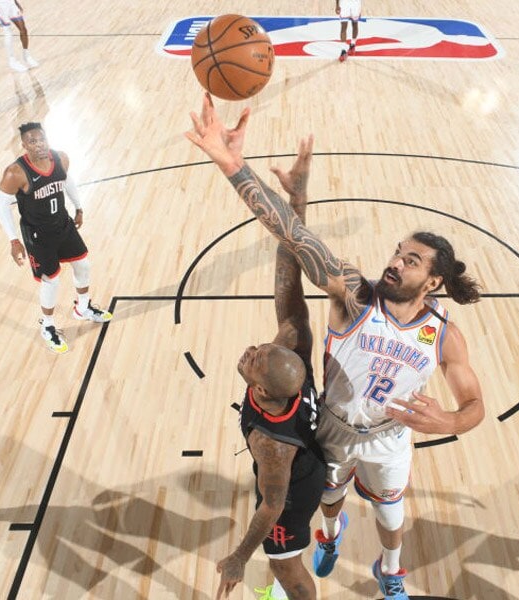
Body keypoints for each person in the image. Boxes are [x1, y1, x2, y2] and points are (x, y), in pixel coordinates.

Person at [187, 93, 485, 600]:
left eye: (411, 261)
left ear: (432, 282)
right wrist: (233, 166)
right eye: (397, 252)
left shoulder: (444, 334)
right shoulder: (354, 293)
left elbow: (475, 405)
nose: (395, 262)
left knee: (392, 514)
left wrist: (452, 421)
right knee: (329, 501)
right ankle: (330, 535)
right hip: (333, 426)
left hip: (390, 435)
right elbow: (291, 232)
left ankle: (390, 570)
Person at [216, 136, 325, 600]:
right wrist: (296, 198)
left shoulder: (270, 446)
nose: (250, 351)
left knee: (285, 567)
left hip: (294, 490)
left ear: (263, 389)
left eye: (254, 361)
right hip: (309, 457)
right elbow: (290, 265)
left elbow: (271, 505)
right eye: (260, 349)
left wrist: (238, 557)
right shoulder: (293, 345)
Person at [0, 122, 112, 354]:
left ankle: (83, 307)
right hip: (38, 235)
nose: (38, 144)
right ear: (24, 145)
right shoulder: (15, 173)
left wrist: (79, 207)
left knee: (83, 265)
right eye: (32, 141)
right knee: (51, 281)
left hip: (63, 224)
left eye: (41, 139)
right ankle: (47, 327)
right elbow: (1, 207)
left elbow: (67, 182)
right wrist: (13, 240)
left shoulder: (60, 158)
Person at [0, 0, 39, 72]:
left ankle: (26, 55)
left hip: (10, 3)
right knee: (8, 32)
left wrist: (16, 2)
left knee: (23, 29)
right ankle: (12, 60)